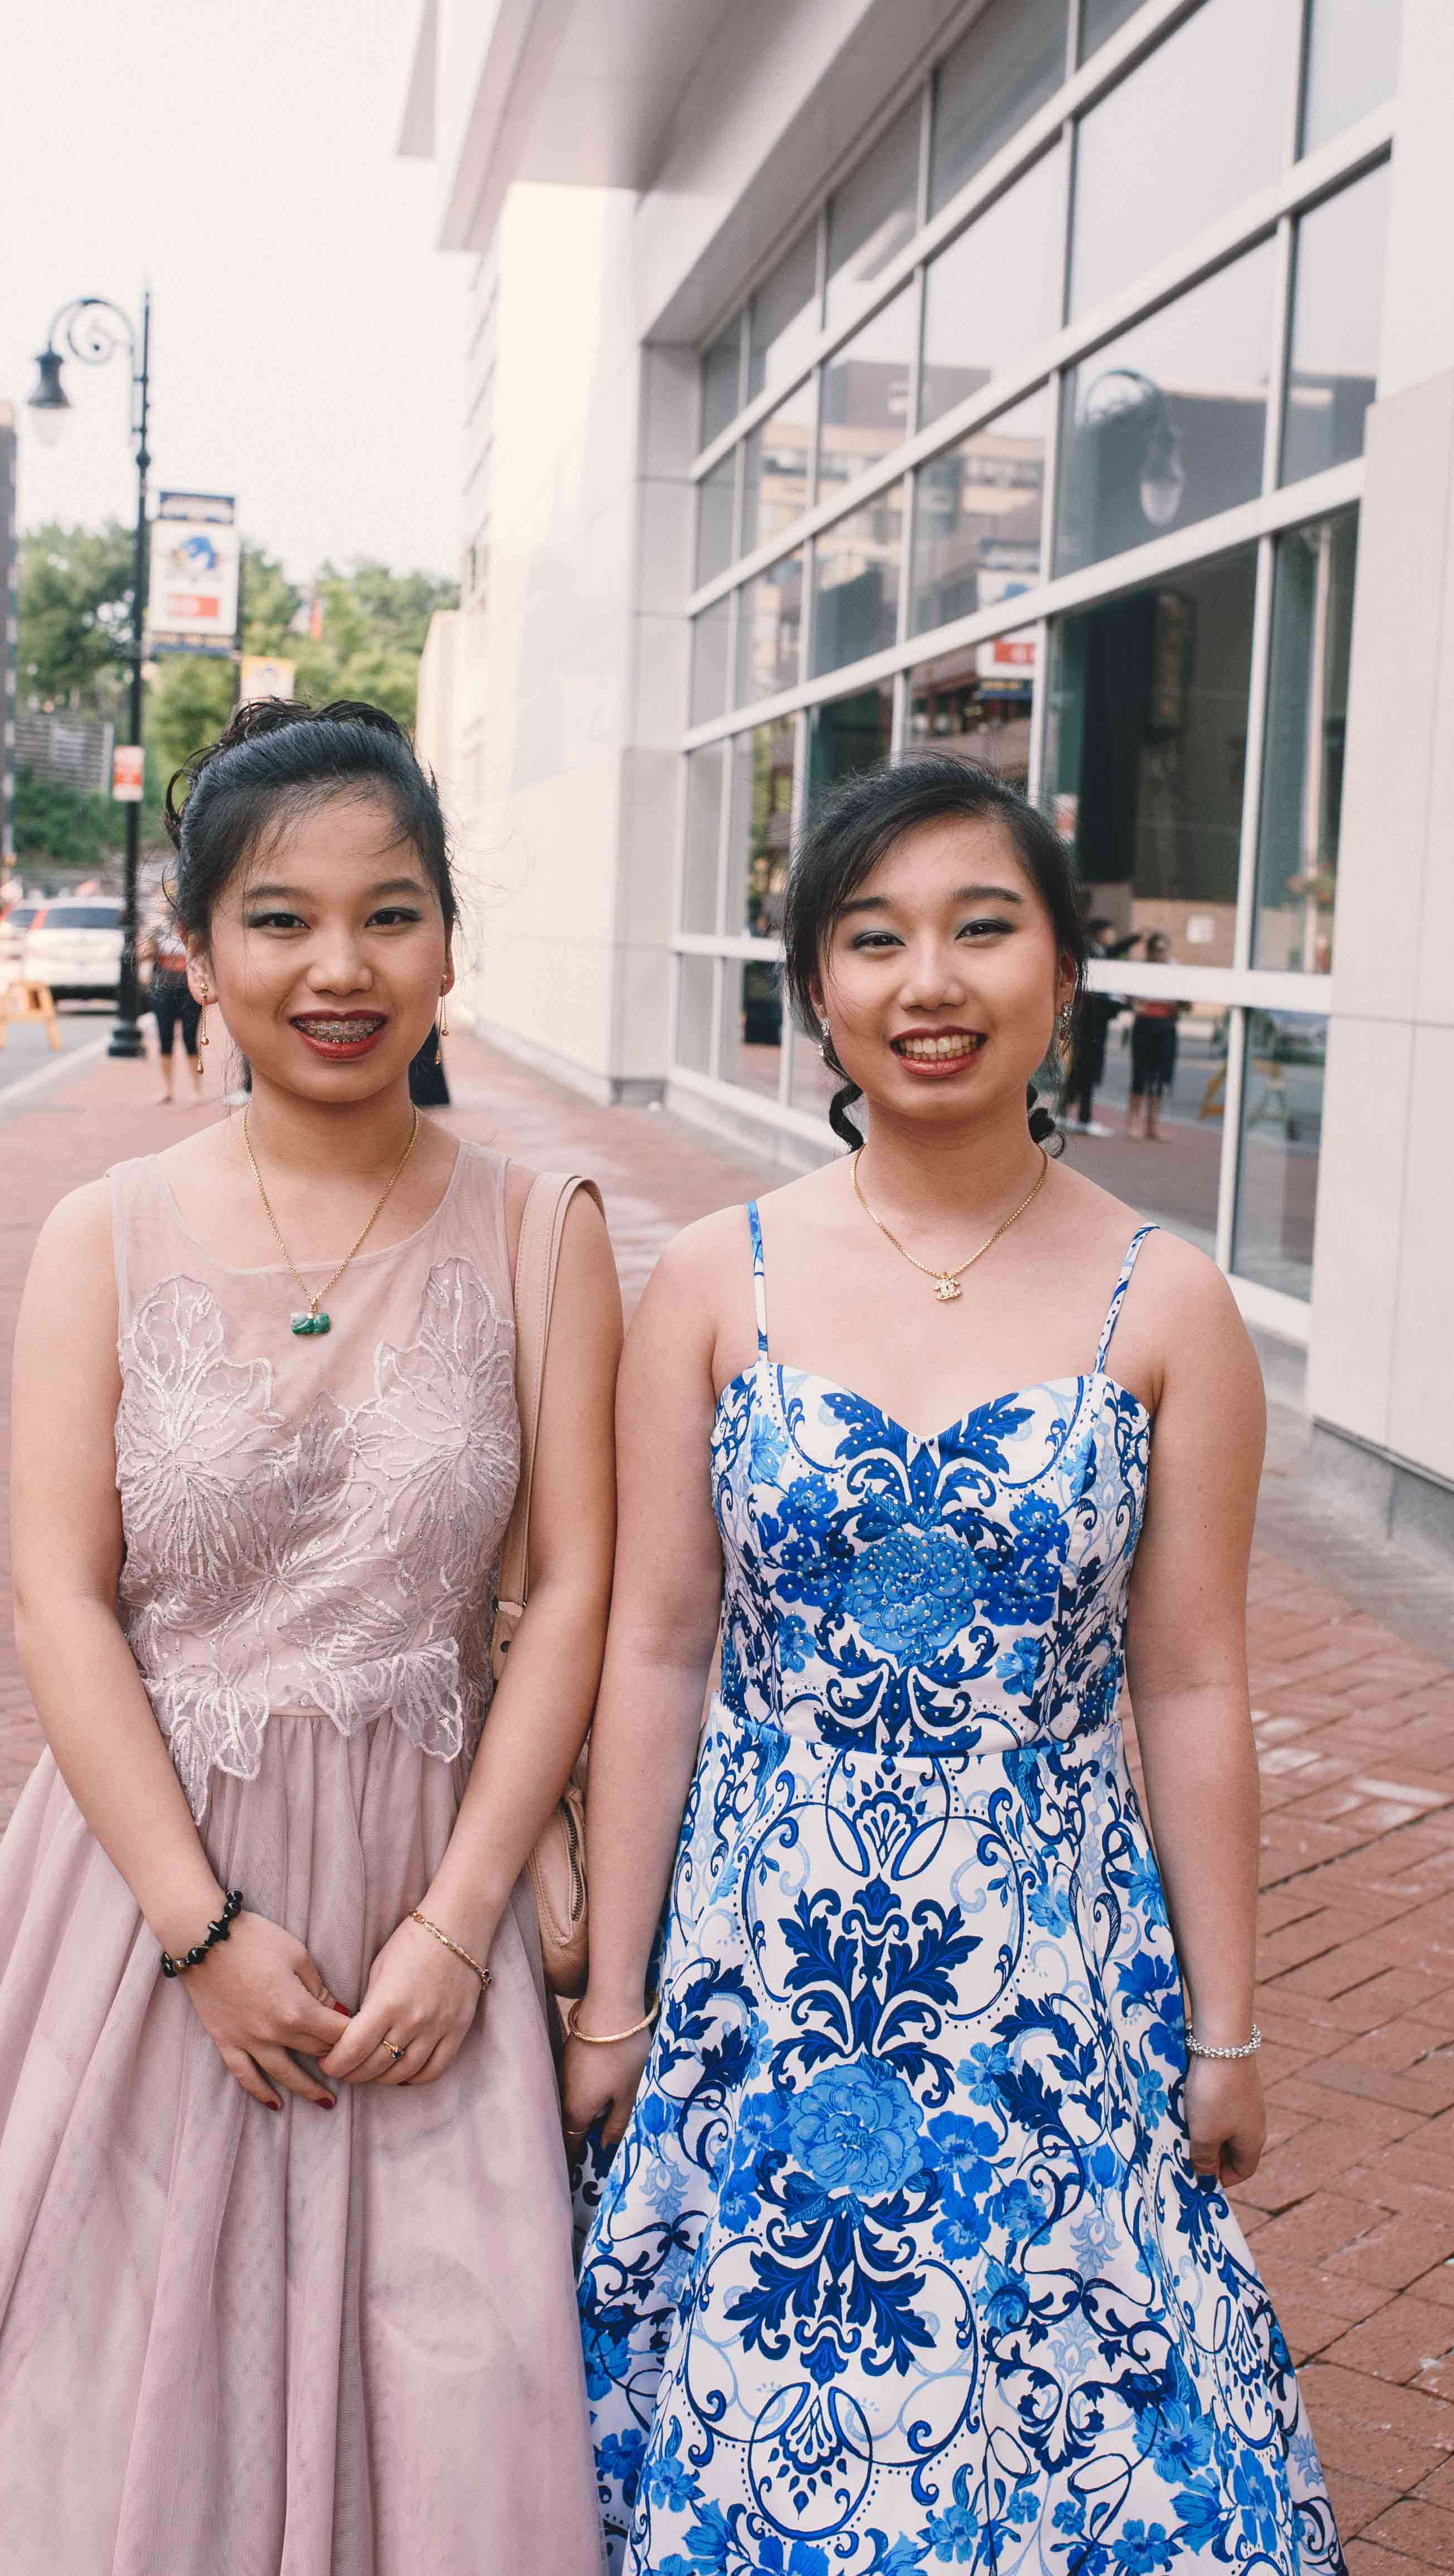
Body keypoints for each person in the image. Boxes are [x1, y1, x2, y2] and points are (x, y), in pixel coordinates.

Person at [0, 699, 620, 2576]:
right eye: (280, 918)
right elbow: (60, 1591)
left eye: (390, 912)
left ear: (452, 941)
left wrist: (464, 1928)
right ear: (197, 952)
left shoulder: (544, 1232)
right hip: (138, 1895)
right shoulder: (104, 1231)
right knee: (88, 2390)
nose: (340, 965)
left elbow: (573, 1599)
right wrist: (198, 1931)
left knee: (450, 2398)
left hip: (421, 1908)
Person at [564, 754, 1343, 2576]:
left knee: (1069, 2469)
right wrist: (615, 1996)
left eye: (983, 929)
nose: (931, 982)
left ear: (1063, 977)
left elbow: (1195, 1685)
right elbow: (658, 1652)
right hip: (761, 1992)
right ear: (815, 987)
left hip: (1052, 1997)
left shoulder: (1165, 1298)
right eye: (874, 937)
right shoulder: (710, 1279)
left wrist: (1225, 2024)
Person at [144, 899, 204, 1104]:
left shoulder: (194, 933)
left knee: (190, 1038)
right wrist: (151, 940)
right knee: (165, 1038)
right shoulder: (158, 931)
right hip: (163, 988)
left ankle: (196, 1089)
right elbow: (144, 954)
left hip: (189, 989)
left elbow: (201, 957)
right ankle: (167, 1089)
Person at [1062, 913, 1118, 1131]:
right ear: (1099, 933)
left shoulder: (1104, 954)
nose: (1112, 936)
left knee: (1092, 1069)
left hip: (1100, 1021)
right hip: (1086, 1022)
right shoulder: (1088, 952)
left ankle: (1084, 1115)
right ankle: (1069, 1112)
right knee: (1080, 1067)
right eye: (1109, 932)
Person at [1128, 928, 1184, 1141]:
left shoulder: (1175, 968)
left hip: (1167, 1025)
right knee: (1141, 1075)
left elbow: (1185, 998)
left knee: (1162, 1077)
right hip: (1145, 1024)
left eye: (1164, 950)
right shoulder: (1141, 969)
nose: (1161, 954)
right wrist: (1135, 1003)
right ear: (1150, 952)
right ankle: (1133, 1122)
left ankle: (1153, 1125)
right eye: (1157, 950)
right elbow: (1129, 994)